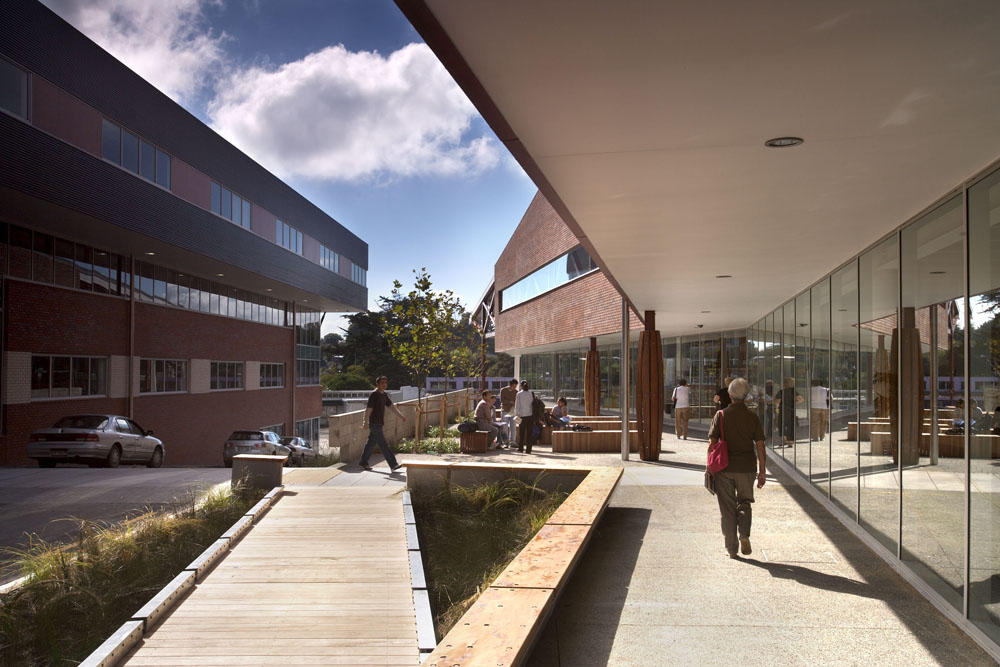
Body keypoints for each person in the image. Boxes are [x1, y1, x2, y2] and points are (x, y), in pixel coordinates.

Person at [706, 377, 766, 558]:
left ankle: (731, 549)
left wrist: (709, 467)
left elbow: (712, 443)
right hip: (747, 467)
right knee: (745, 502)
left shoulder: (721, 415)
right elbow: (760, 445)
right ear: (746, 395)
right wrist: (762, 470)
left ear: (730, 395)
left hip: (724, 468)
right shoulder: (752, 417)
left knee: (727, 507)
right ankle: (744, 535)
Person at [358, 376, 406, 472]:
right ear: (377, 384)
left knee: (371, 443)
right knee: (383, 444)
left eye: (385, 383)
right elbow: (368, 410)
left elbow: (391, 407)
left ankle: (363, 461)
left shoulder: (384, 395)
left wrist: (400, 416)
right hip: (374, 423)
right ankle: (393, 464)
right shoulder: (374, 395)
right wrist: (365, 422)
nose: (384, 385)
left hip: (380, 423)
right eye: (382, 383)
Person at [774, 376, 803, 447]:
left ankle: (784, 440)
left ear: (784, 384)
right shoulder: (793, 391)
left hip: (783, 411)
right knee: (791, 426)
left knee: (782, 425)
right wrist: (794, 402)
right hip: (791, 411)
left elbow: (777, 401)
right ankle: (790, 442)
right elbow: (801, 399)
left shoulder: (781, 391)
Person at [514, 380, 535, 453]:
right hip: (530, 416)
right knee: (529, 433)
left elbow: (517, 405)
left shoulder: (519, 394)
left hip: (522, 416)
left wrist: (516, 414)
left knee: (521, 433)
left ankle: (520, 448)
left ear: (521, 386)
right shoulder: (531, 393)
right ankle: (529, 449)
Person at [499, 378, 519, 443]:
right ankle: (505, 441)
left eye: (515, 386)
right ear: (510, 385)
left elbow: (517, 402)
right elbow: (502, 400)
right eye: (514, 386)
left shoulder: (516, 392)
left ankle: (513, 441)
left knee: (513, 427)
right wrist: (510, 402)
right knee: (504, 426)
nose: (514, 388)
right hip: (505, 410)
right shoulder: (503, 390)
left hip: (513, 410)